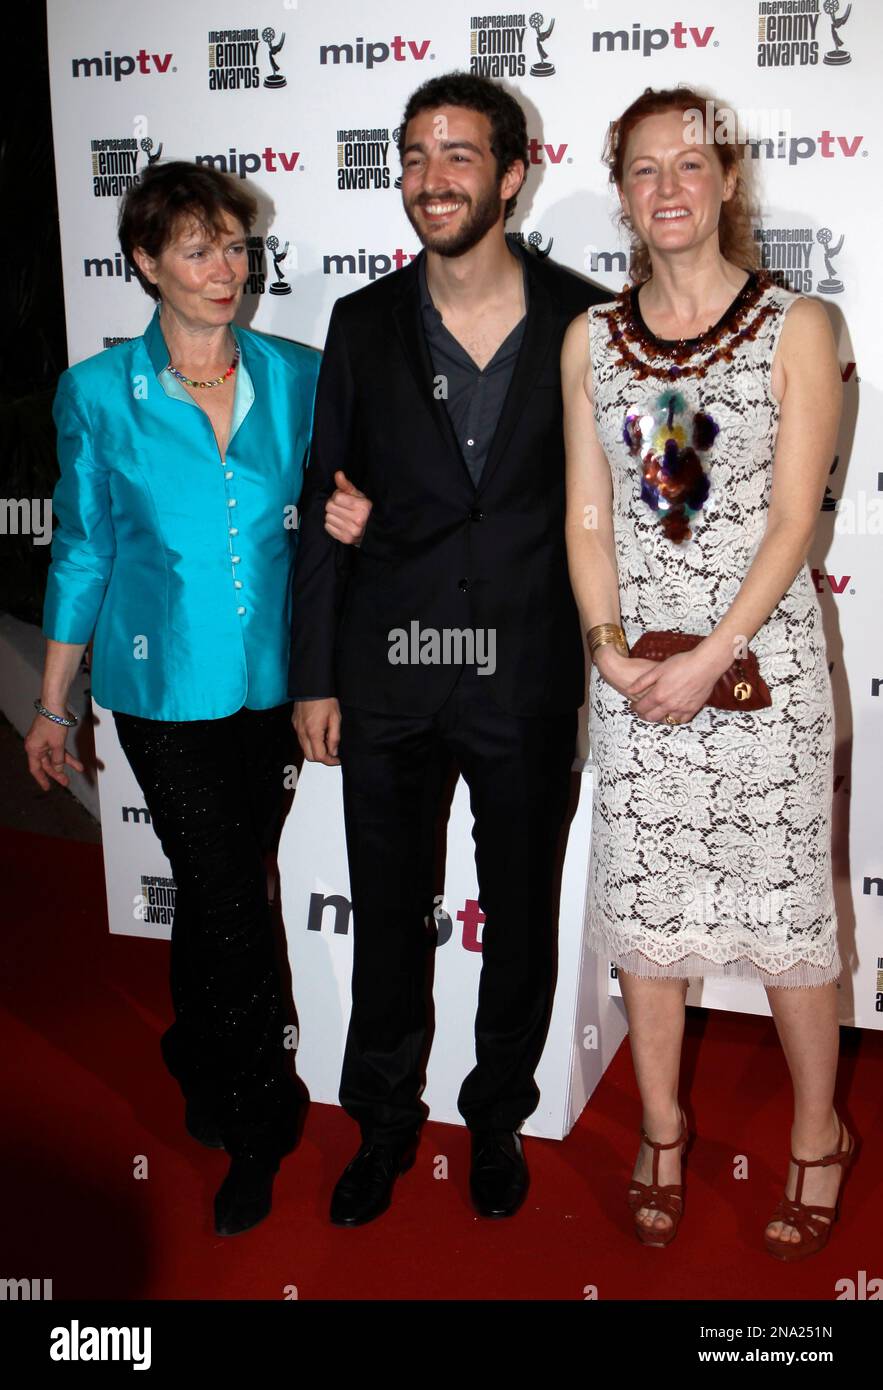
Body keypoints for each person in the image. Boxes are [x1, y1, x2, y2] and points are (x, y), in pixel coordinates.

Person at [289, 72, 611, 1226]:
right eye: (415, 155)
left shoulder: (585, 317)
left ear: (511, 174)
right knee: (388, 910)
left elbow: (632, 493)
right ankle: (379, 1123)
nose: (431, 177)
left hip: (523, 675)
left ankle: (495, 1118)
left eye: (458, 154)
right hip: (386, 672)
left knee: (519, 918)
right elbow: (327, 494)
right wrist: (315, 672)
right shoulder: (362, 323)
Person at [562, 86, 853, 1258]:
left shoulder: (799, 325)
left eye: (690, 163)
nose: (668, 186)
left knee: (789, 929)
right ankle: (665, 1130)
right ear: (623, 189)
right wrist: (611, 656)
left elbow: (792, 522)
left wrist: (711, 656)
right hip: (634, 684)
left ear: (727, 180)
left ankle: (819, 1134)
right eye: (643, 168)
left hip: (761, 675)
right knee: (646, 929)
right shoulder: (593, 339)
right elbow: (589, 515)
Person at [25, 161, 320, 1237]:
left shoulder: (300, 376)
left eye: (236, 246)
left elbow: (336, 530)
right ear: (145, 263)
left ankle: (194, 1046)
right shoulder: (100, 394)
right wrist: (55, 705)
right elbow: (83, 549)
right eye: (197, 249)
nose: (225, 269)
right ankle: (257, 1119)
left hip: (275, 691)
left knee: (219, 885)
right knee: (237, 900)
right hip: (162, 694)